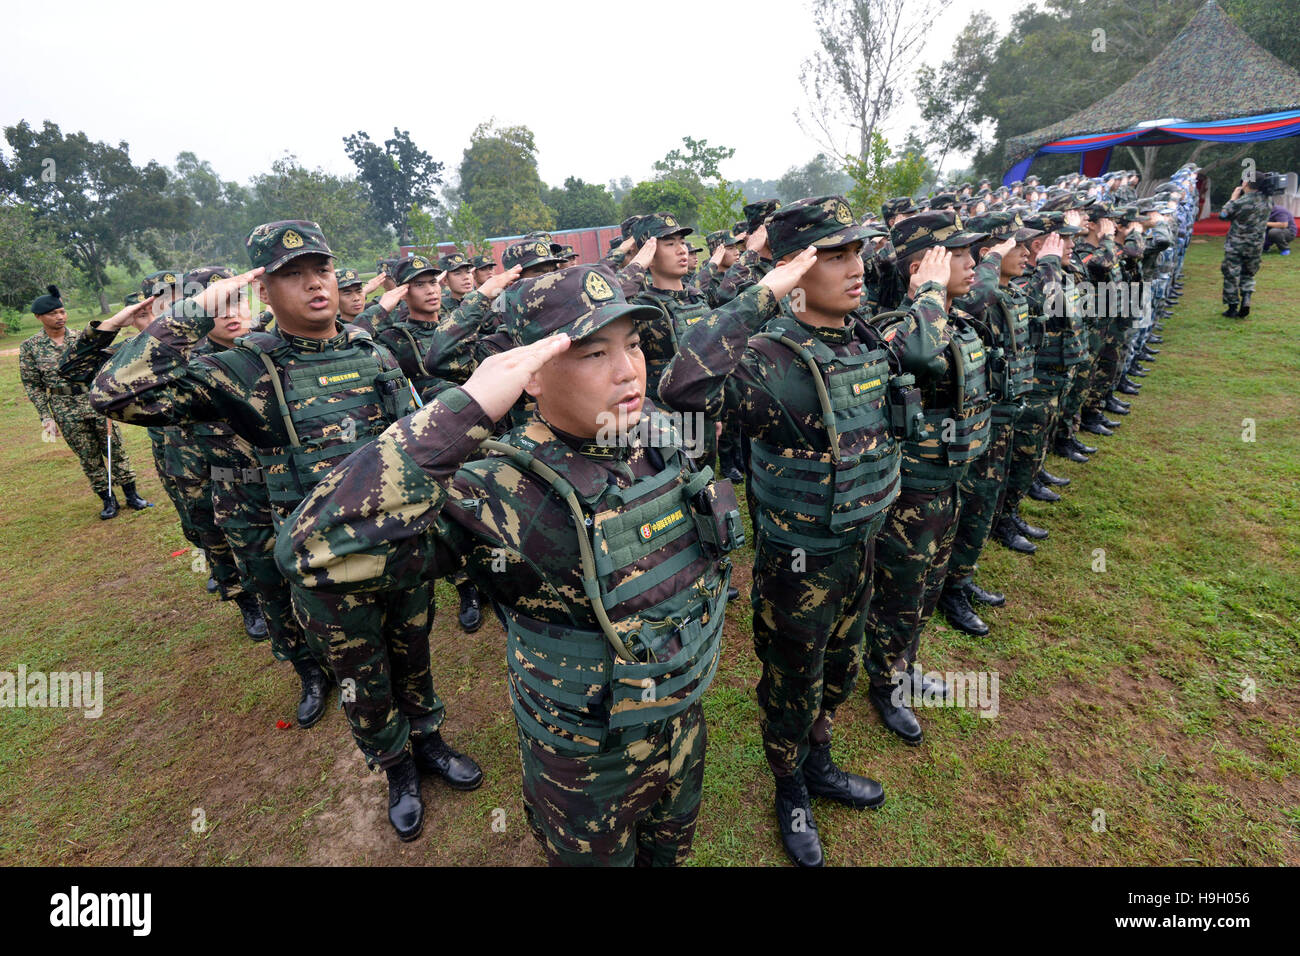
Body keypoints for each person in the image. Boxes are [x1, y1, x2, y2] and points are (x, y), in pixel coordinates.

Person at [278, 264, 743, 862]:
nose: (628, 370)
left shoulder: (656, 433)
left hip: (681, 715)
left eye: (632, 345)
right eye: (594, 352)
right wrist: (465, 409)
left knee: (670, 854)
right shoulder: (492, 488)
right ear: (530, 379)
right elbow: (309, 550)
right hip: (584, 756)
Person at [91, 223, 482, 773]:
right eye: (291, 276)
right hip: (322, 563)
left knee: (413, 654)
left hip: (396, 545)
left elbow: (413, 442)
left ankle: (429, 741)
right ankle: (394, 766)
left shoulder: (373, 352)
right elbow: (115, 393)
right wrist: (195, 311)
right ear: (263, 292)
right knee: (357, 674)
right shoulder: (245, 367)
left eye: (320, 269)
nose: (314, 284)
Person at [662, 196, 906, 867]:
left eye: (857, 251)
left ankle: (820, 760)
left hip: (860, 545)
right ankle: (791, 785)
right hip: (799, 563)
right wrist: (763, 291)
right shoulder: (765, 360)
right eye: (834, 255)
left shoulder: (859, 337)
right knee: (792, 679)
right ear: (797, 269)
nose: (856, 267)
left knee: (839, 668)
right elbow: (682, 384)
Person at [862, 210, 992, 747]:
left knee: (929, 585)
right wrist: (930, 293)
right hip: (911, 490)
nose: (974, 262)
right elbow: (916, 353)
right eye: (958, 254)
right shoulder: (898, 323)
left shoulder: (952, 320)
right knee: (900, 589)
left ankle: (906, 666)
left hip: (949, 481)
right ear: (923, 266)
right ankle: (886, 682)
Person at [19, 285, 151, 519]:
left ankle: (132, 495)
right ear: (38, 317)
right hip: (63, 407)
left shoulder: (82, 338)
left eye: (62, 311)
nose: (60, 317)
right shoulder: (30, 347)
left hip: (94, 400)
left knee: (115, 448)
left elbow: (105, 367)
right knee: (88, 456)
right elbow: (33, 385)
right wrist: (46, 417)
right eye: (53, 314)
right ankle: (108, 500)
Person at [1219, 177, 1270, 318]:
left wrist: (1233, 198)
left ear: (1246, 183)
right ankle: (1246, 298)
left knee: (1231, 274)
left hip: (1237, 244)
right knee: (1248, 273)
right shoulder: (1268, 200)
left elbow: (1223, 215)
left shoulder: (1242, 201)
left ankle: (1232, 307)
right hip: (1256, 245)